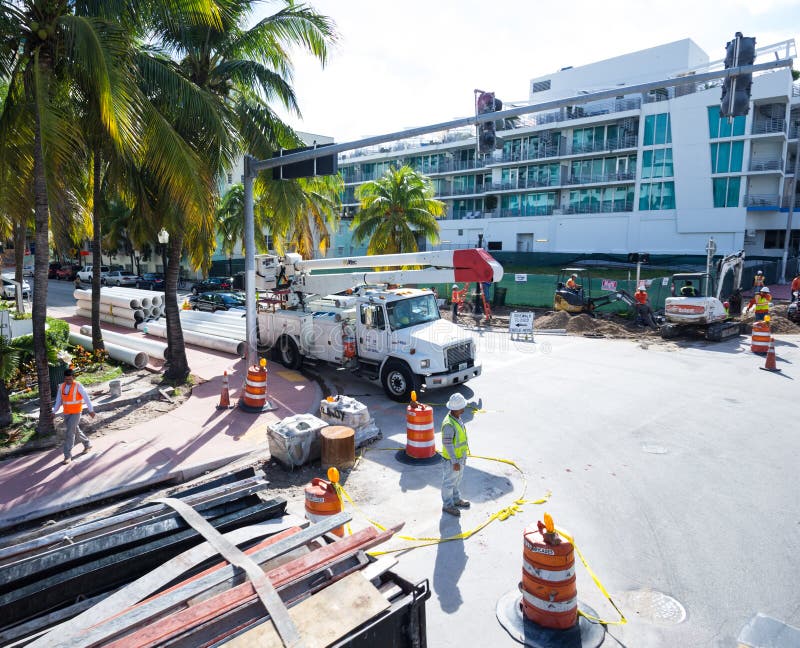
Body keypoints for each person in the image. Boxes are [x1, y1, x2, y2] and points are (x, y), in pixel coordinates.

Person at [52, 368, 96, 465]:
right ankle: (87, 444)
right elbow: (58, 401)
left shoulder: (78, 386)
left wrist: (91, 410)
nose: (68, 381)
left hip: (76, 413)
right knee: (75, 430)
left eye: (70, 379)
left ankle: (67, 456)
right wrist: (54, 411)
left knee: (70, 433)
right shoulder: (61, 387)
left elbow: (86, 398)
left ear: (73, 378)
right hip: (67, 413)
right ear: (64, 378)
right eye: (66, 379)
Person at [440, 392, 471, 517]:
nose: (464, 409)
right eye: (462, 407)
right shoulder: (449, 424)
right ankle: (447, 505)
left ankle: (456, 499)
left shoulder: (456, 417)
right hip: (452, 460)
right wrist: (454, 462)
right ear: (456, 409)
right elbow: (448, 444)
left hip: (460, 457)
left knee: (457, 481)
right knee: (449, 483)